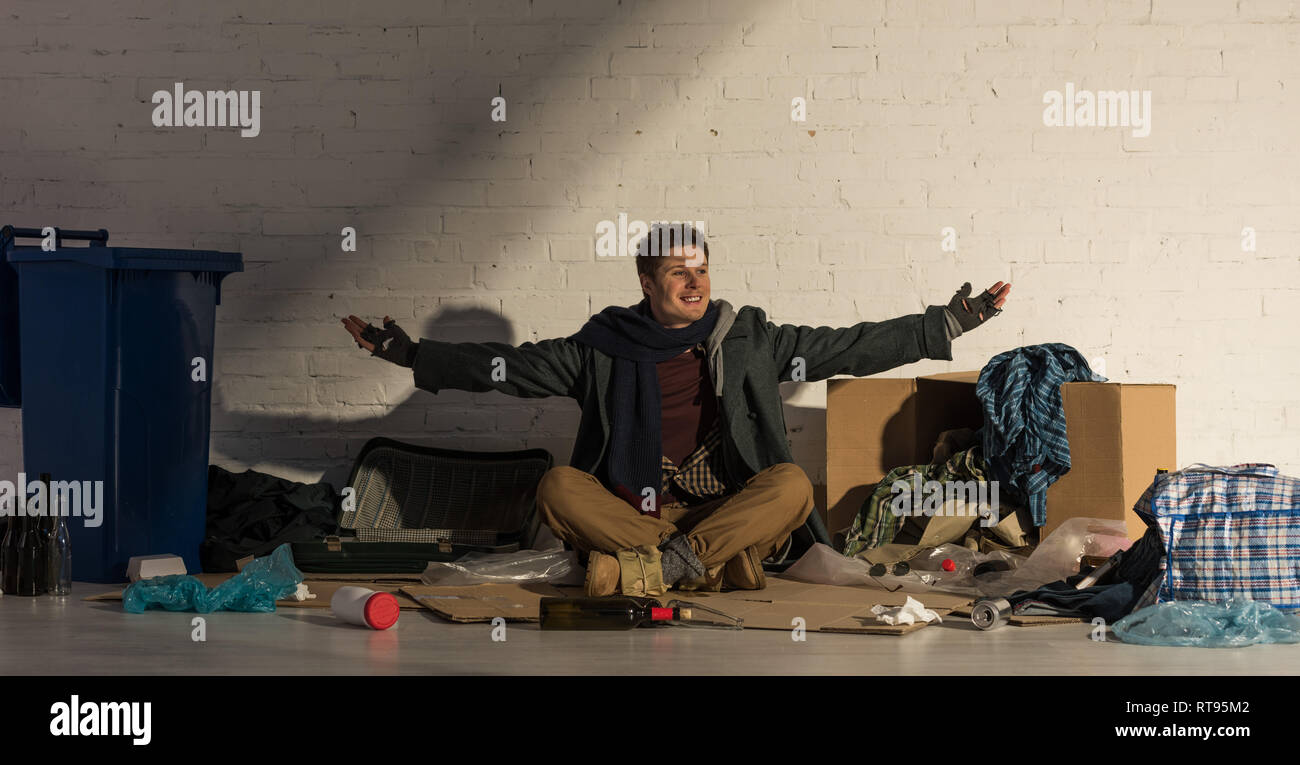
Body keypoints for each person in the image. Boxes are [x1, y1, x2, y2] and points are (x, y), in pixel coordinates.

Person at [341, 225, 1009, 596]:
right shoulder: (600, 348)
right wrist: (411, 354)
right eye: (680, 272)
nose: (696, 283)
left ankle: (653, 568)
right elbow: (507, 369)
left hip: (726, 505)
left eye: (703, 270)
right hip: (641, 512)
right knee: (557, 485)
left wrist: (945, 321)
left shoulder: (748, 339)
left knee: (790, 484)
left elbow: (847, 346)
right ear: (647, 283)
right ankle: (704, 565)